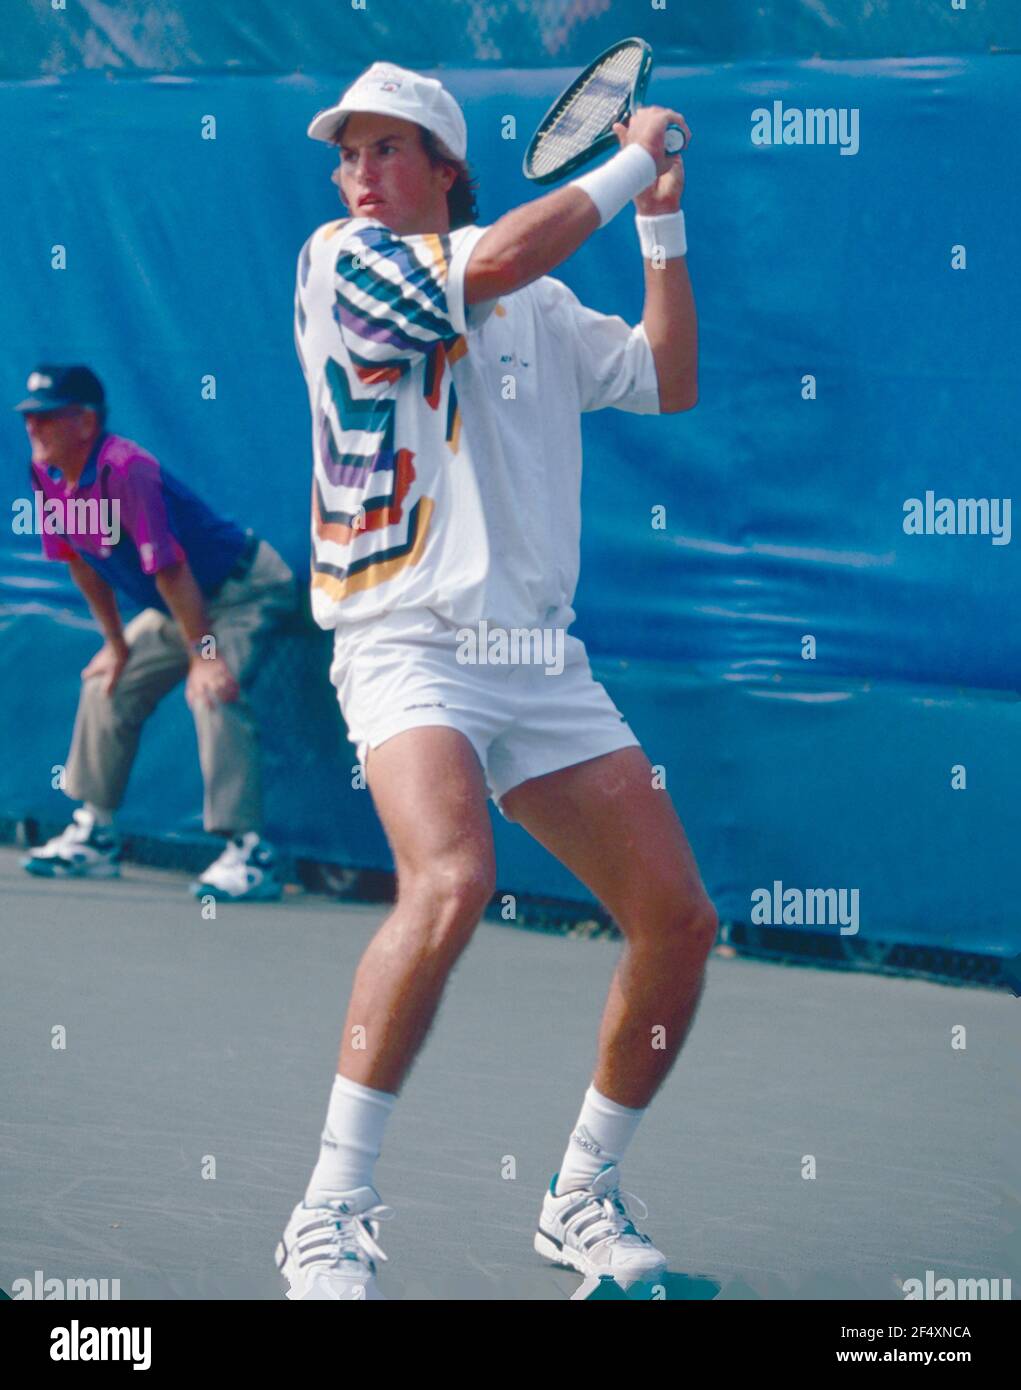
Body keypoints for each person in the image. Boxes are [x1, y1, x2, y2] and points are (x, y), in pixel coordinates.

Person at [279, 61, 714, 1299]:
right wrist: (628, 155)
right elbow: (500, 263)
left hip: (539, 657)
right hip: (402, 635)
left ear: (446, 171)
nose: (357, 175)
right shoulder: (338, 261)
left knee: (677, 921)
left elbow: (668, 379)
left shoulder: (539, 301)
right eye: (348, 152)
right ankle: (329, 1209)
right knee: (454, 875)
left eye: (386, 152)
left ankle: (580, 1193)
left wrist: (659, 214)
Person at [16, 364, 297, 901]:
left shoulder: (127, 470)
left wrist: (205, 655)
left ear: (85, 422)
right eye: (31, 417)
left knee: (212, 690)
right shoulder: (46, 477)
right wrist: (116, 645)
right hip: (180, 606)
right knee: (107, 682)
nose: (35, 428)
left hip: (243, 590)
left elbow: (171, 569)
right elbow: (80, 564)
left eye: (48, 417)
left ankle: (249, 851)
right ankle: (96, 834)